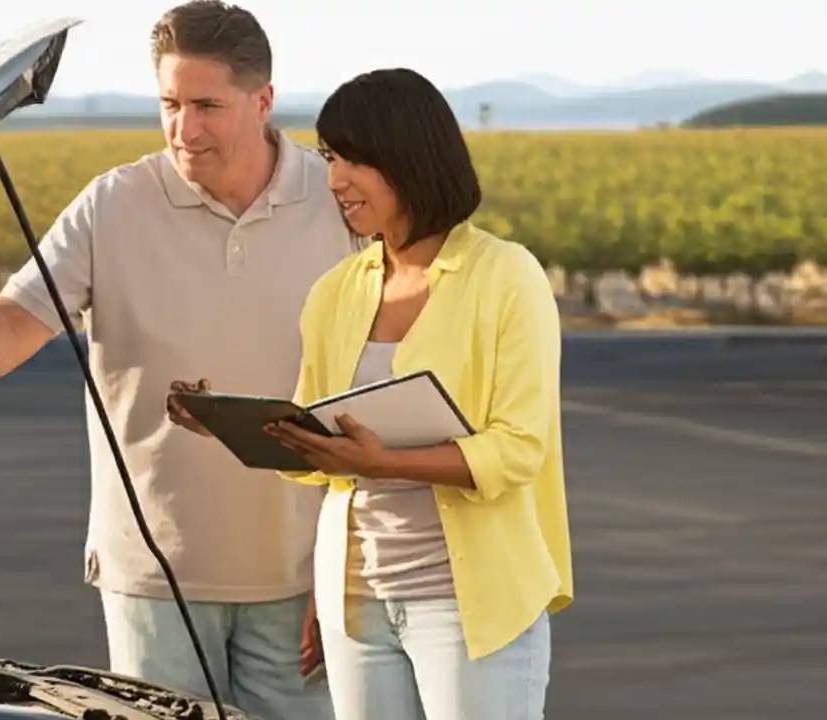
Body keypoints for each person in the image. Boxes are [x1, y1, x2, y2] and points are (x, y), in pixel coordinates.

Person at [0, 2, 362, 718]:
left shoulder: (337, 205)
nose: (184, 129)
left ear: (263, 100)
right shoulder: (112, 204)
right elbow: (20, 316)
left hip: (299, 578)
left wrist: (346, 577)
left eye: (207, 105)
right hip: (153, 575)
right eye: (169, 104)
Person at [170, 68, 574, 720]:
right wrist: (231, 425)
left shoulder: (505, 276)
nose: (335, 181)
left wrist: (383, 462)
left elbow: (519, 449)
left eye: (355, 160)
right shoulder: (337, 290)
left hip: (466, 605)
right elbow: (322, 447)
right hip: (354, 602)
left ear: (411, 158)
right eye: (331, 158)